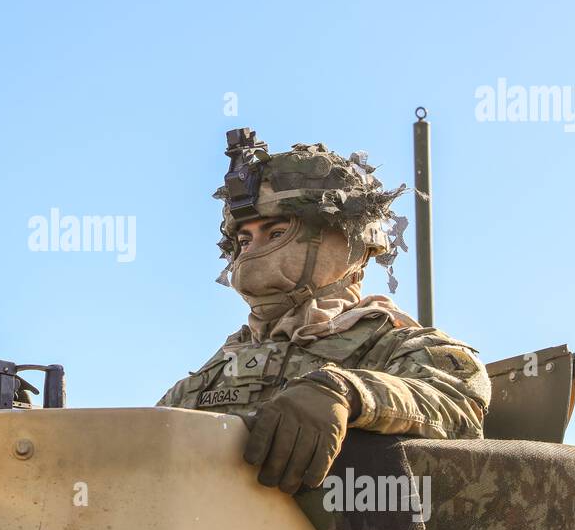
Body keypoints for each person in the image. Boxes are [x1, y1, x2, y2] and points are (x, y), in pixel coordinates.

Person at [157, 130, 491, 494]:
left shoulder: (397, 345)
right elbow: (144, 445)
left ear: (345, 242)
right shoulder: (218, 369)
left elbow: (456, 405)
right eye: (244, 241)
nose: (252, 255)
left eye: (276, 232)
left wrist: (347, 392)